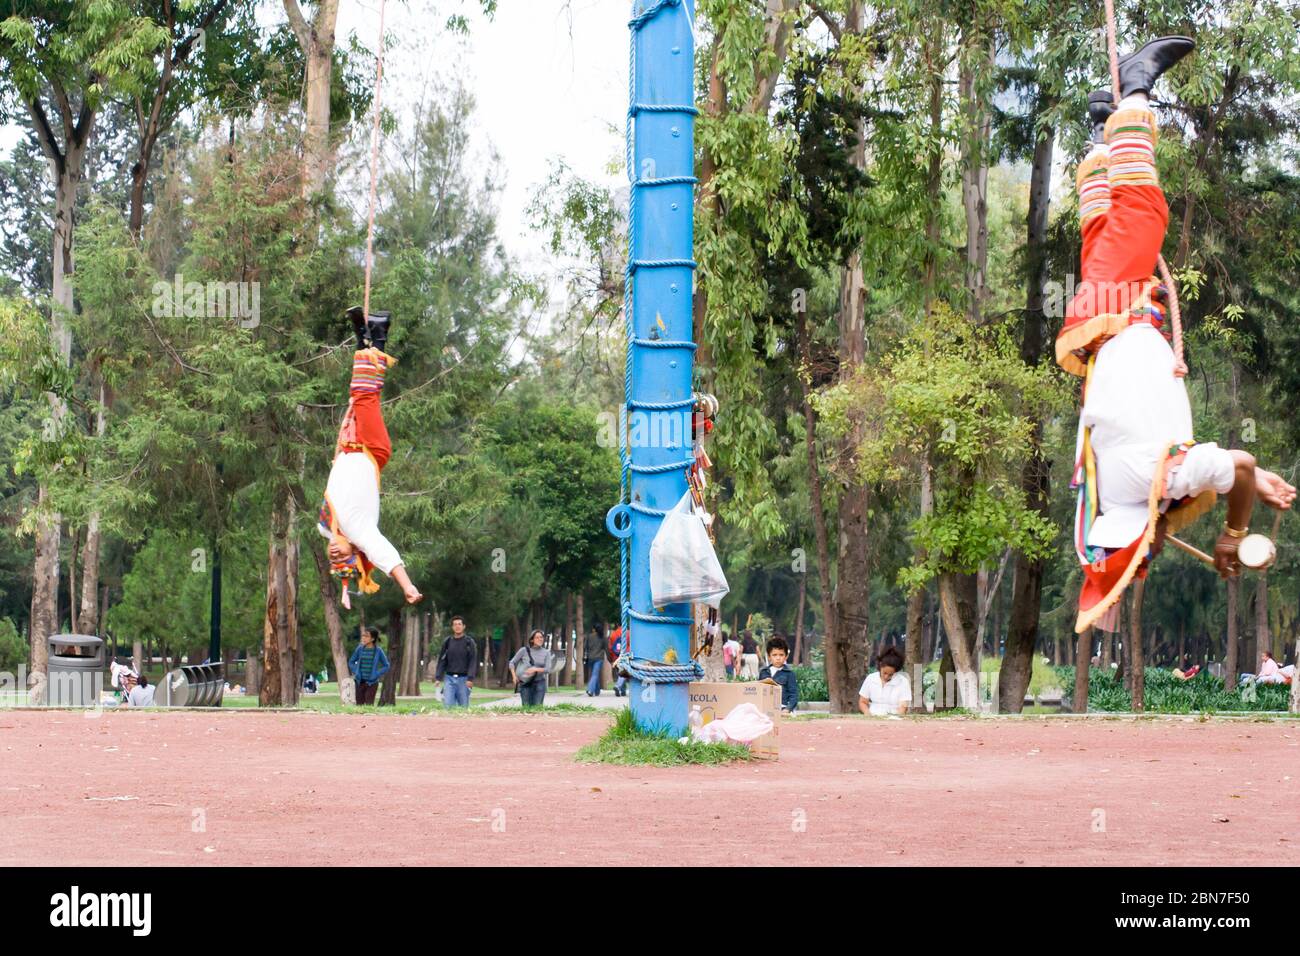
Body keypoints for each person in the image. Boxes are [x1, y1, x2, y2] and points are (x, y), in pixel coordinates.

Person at [1057, 37, 1296, 634]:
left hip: (1120, 311)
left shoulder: (1146, 482)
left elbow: (1237, 464)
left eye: (1141, 557)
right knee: (1105, 229)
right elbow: (1230, 471)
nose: (1151, 558)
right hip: (1105, 323)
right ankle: (1100, 129)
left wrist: (1234, 533)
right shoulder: (1122, 500)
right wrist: (1246, 479)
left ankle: (1134, 88)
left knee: (1144, 212)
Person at [317, 308, 423, 609]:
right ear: (354, 552)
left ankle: (370, 338)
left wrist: (344, 587)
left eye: (333, 559)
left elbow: (334, 473)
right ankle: (376, 336)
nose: (336, 555)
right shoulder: (362, 532)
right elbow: (386, 557)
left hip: (349, 444)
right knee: (364, 394)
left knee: (361, 395)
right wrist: (408, 585)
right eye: (344, 558)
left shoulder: (326, 524)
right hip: (372, 450)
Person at [435, 615, 477, 707]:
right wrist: (438, 677)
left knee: (463, 706)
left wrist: (470, 678)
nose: (457, 626)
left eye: (459, 624)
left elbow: (472, 661)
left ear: (464, 626)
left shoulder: (469, 642)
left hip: (464, 679)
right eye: (455, 624)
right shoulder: (447, 642)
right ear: (452, 627)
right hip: (449, 678)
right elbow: (442, 660)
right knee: (448, 705)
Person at [858, 646, 912, 716]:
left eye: (890, 674)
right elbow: (863, 702)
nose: (886, 677)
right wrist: (867, 713)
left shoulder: (903, 682)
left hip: (894, 717)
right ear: (880, 666)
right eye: (884, 673)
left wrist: (897, 718)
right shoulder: (870, 678)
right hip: (873, 716)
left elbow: (903, 707)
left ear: (896, 671)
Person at [510, 629, 552, 708]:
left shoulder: (546, 652)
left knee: (537, 708)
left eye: (541, 637)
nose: (540, 639)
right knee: (526, 707)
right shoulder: (524, 650)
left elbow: (548, 669)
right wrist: (514, 676)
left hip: (539, 683)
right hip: (525, 684)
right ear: (532, 640)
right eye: (537, 637)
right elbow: (511, 663)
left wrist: (535, 669)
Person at [349, 627, 390, 705]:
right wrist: (356, 672)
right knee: (359, 706)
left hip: (372, 683)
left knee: (369, 705)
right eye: (363, 635)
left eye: (366, 636)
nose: (363, 638)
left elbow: (386, 665)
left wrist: (376, 674)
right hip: (359, 682)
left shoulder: (378, 651)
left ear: (372, 639)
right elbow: (351, 662)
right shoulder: (360, 649)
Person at [758, 635, 798, 714]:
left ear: (786, 656)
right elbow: (759, 692)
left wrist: (787, 709)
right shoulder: (764, 672)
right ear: (769, 657)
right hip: (765, 708)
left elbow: (793, 695)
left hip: (783, 708)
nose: (778, 658)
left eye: (781, 655)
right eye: (774, 655)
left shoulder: (789, 673)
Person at [584, 624, 607, 697]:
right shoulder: (603, 638)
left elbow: (585, 647)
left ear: (594, 629)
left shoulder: (589, 636)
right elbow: (605, 648)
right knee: (595, 674)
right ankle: (591, 690)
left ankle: (596, 691)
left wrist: (585, 656)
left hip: (590, 658)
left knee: (594, 674)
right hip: (599, 658)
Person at [607, 626, 628, 697]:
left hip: (615, 657)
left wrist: (611, 659)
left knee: (621, 672)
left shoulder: (613, 634)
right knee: (624, 672)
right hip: (626, 656)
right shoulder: (628, 633)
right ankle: (618, 686)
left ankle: (623, 691)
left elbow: (610, 648)